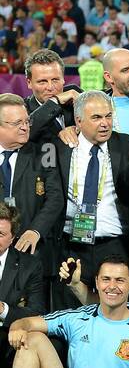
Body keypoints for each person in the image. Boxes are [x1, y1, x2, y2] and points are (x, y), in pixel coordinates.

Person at [52, 91, 129, 307]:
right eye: (96, 118)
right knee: (71, 311)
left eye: (108, 116)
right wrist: (54, 101)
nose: (105, 123)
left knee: (115, 310)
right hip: (72, 244)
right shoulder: (60, 147)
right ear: (78, 121)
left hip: (116, 245)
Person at [0, 95, 65, 301]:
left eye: (27, 121)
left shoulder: (45, 152)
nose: (25, 127)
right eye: (17, 123)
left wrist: (36, 230)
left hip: (34, 252)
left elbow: (55, 198)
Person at [0, 204, 48, 368]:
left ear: (12, 238)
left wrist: (3, 309)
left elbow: (37, 312)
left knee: (31, 342)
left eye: (0, 234)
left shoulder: (30, 266)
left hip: (8, 336)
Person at [23, 48, 80, 145]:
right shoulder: (23, 108)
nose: (50, 87)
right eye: (42, 81)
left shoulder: (74, 93)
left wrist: (79, 129)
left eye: (55, 80)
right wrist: (54, 101)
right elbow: (25, 132)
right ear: (29, 83)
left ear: (63, 79)